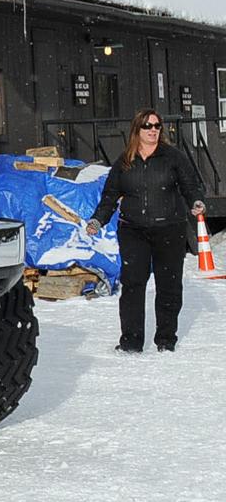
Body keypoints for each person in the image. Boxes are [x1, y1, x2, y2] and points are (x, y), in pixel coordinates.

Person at [85, 108, 207, 353]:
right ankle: (131, 342)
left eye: (157, 126)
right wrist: (98, 220)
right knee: (132, 284)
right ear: (137, 130)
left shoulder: (173, 157)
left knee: (168, 286)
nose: (153, 130)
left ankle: (165, 340)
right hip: (133, 231)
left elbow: (190, 185)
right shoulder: (124, 161)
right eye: (148, 126)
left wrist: (196, 201)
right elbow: (110, 196)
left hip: (169, 229)